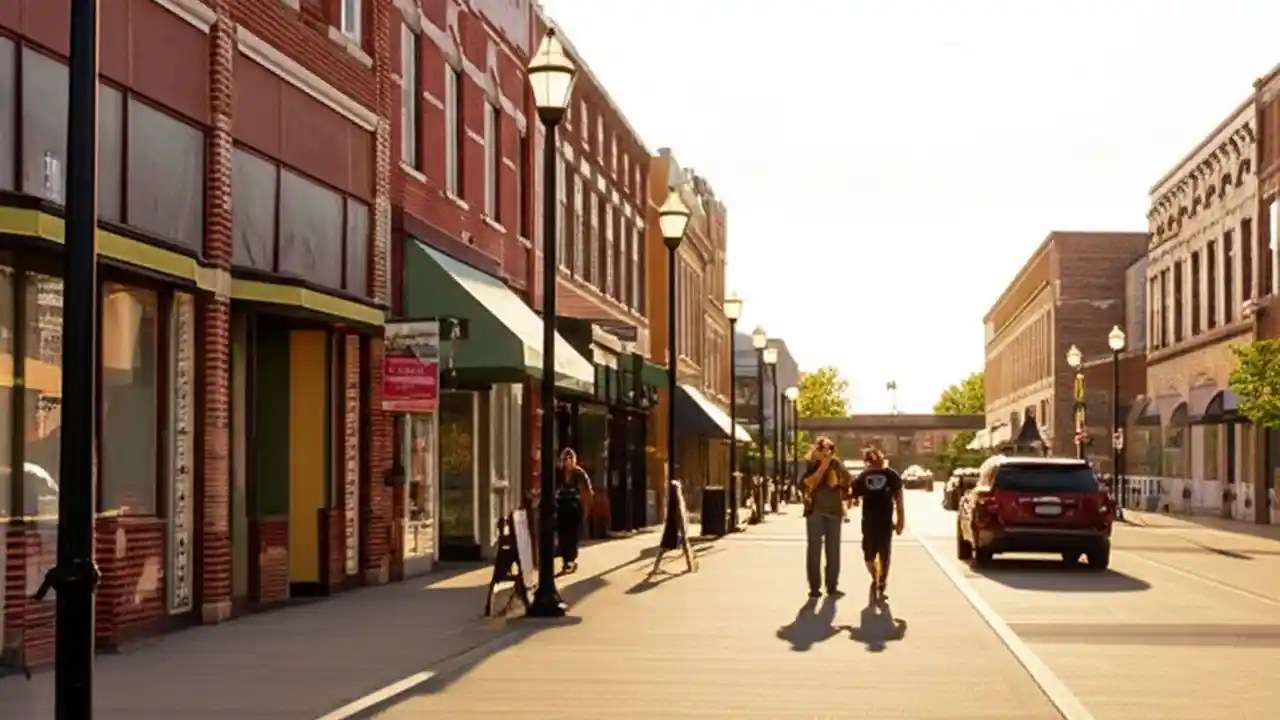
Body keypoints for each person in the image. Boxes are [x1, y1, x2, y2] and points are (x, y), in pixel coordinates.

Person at [850, 448, 904, 602]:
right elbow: (853, 494)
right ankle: (876, 576)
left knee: (883, 553)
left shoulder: (891, 475)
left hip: (884, 521)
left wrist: (901, 520)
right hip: (869, 521)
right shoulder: (863, 477)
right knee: (869, 555)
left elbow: (899, 498)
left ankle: (881, 580)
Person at [800, 436, 851, 599]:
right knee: (814, 550)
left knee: (833, 551)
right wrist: (823, 466)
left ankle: (832, 586)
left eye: (829, 450)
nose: (826, 453)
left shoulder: (837, 465)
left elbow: (846, 482)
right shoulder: (810, 465)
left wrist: (836, 474)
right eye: (822, 449)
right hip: (815, 511)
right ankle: (814, 588)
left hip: (834, 512)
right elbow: (807, 484)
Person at [556, 448, 593, 574]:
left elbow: (587, 492)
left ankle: (571, 560)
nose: (568, 461)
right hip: (561, 509)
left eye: (570, 458)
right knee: (562, 536)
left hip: (574, 508)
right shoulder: (559, 473)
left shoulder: (579, 473)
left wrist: (586, 509)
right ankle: (565, 560)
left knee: (572, 536)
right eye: (565, 458)